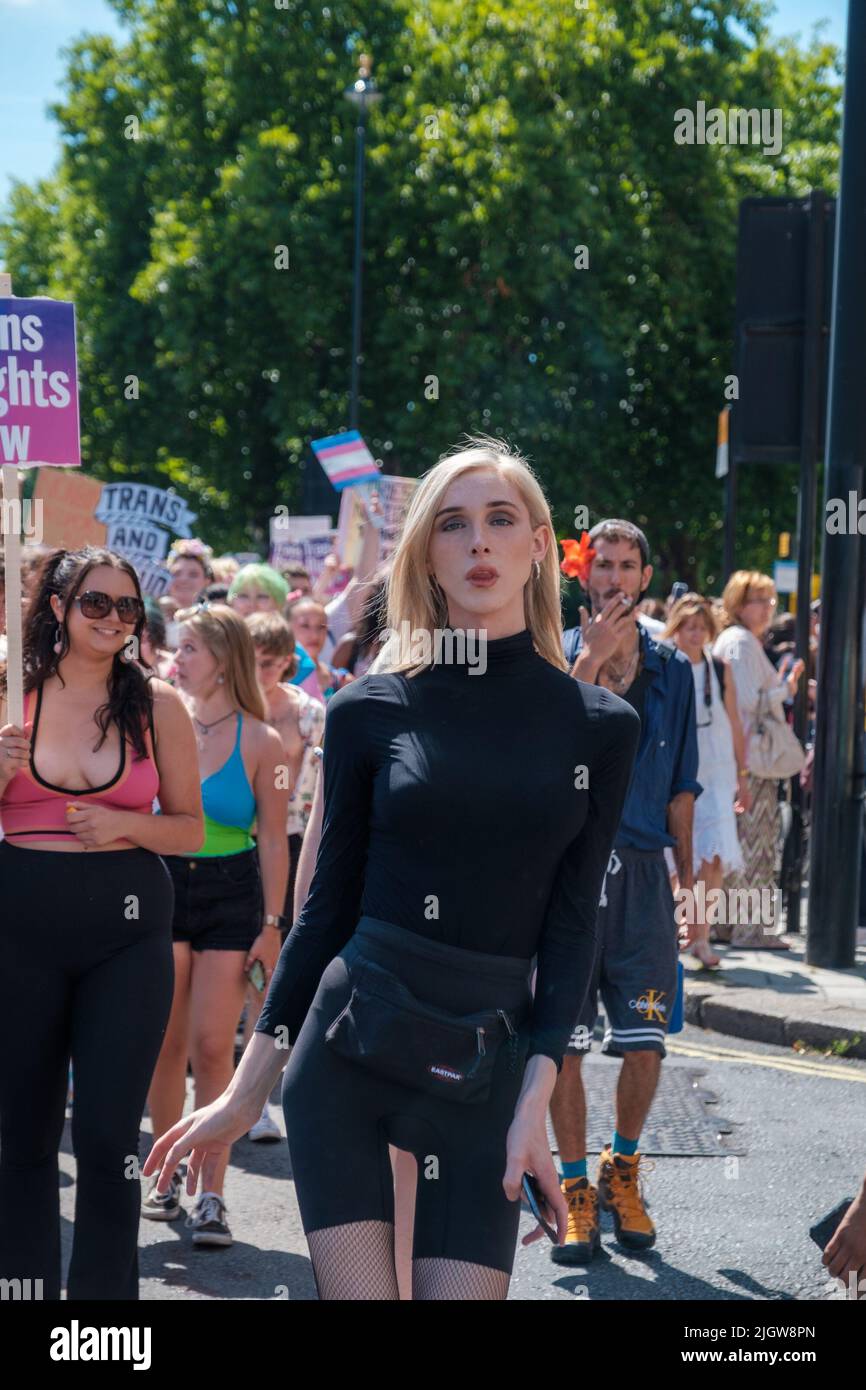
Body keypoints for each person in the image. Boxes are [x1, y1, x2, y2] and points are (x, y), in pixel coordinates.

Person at [144, 436, 639, 1301]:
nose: (478, 542)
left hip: (490, 1062)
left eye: (499, 520)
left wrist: (535, 1103)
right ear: (427, 557)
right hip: (349, 1053)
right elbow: (324, 913)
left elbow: (570, 926)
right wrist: (243, 1097)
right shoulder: (370, 709)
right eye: (452, 525)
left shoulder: (600, 726)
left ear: (537, 545)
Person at [0, 546, 203, 1300]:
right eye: (95, 603)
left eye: (127, 608)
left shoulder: (158, 703)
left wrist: (126, 828)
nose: (114, 620)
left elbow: (191, 829)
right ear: (56, 607)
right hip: (18, 925)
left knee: (110, 1140)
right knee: (21, 1136)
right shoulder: (7, 693)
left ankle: (100, 1332)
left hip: (127, 933)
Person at [554, 519, 700, 1263]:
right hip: (572, 869)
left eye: (627, 565)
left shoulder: (676, 670)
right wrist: (591, 661)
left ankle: (624, 1171)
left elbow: (683, 793)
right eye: (602, 565)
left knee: (646, 1044)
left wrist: (691, 889)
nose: (613, 578)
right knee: (565, 1045)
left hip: (645, 877)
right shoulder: (555, 653)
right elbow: (547, 748)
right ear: (587, 577)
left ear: (645, 578)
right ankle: (574, 1189)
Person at [142, 603, 288, 1246]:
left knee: (211, 1045)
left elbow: (275, 842)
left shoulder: (264, 740)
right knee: (166, 1044)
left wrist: (273, 923)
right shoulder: (153, 722)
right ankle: (164, 1175)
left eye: (191, 648)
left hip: (234, 896)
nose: (178, 659)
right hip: (164, 884)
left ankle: (212, 1194)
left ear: (223, 656)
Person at [242, 610, 325, 1141]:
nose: (260, 672)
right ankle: (250, 1092)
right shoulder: (232, 709)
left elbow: (319, 791)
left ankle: (280, 1086)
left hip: (293, 841)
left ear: (288, 663)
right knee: (248, 962)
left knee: (287, 957)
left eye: (269, 663)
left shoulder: (310, 714)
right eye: (250, 662)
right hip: (241, 840)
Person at [712, 571, 804, 949]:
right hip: (749, 762)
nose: (768, 608)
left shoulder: (736, 640)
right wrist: (786, 688)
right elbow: (746, 700)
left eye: (770, 601)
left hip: (738, 760)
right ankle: (754, 930)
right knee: (758, 845)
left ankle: (728, 926)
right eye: (759, 600)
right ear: (739, 603)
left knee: (738, 846)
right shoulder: (741, 642)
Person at [664, 593, 750, 968]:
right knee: (677, 856)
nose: (695, 633)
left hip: (716, 773)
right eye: (688, 627)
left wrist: (742, 775)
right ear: (676, 628)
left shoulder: (719, 668)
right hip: (678, 770)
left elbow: (734, 720)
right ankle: (681, 928)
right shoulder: (665, 664)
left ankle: (701, 935)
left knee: (712, 857)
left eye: (701, 627)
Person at [288, 596, 354, 701]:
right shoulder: (273, 679)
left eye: (321, 627)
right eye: (305, 626)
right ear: (287, 628)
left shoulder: (343, 682)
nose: (314, 635)